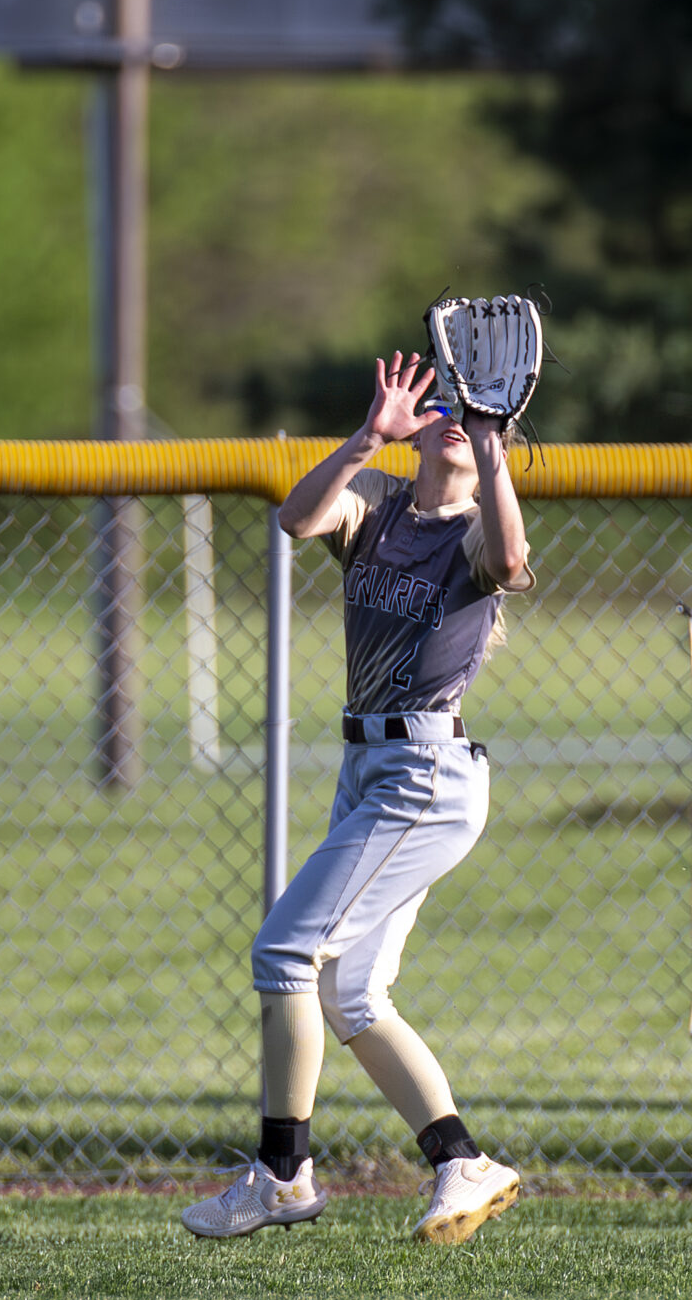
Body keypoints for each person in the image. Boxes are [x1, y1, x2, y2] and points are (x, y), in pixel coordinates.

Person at [182, 346, 534, 1246]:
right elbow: (299, 521)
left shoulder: (470, 532)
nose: (459, 418)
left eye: (481, 415)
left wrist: (495, 460)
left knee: (283, 953)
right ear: (416, 430)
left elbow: (509, 554)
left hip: (424, 775)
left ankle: (283, 1172)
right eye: (449, 406)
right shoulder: (376, 510)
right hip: (368, 771)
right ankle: (464, 1162)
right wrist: (361, 441)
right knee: (352, 995)